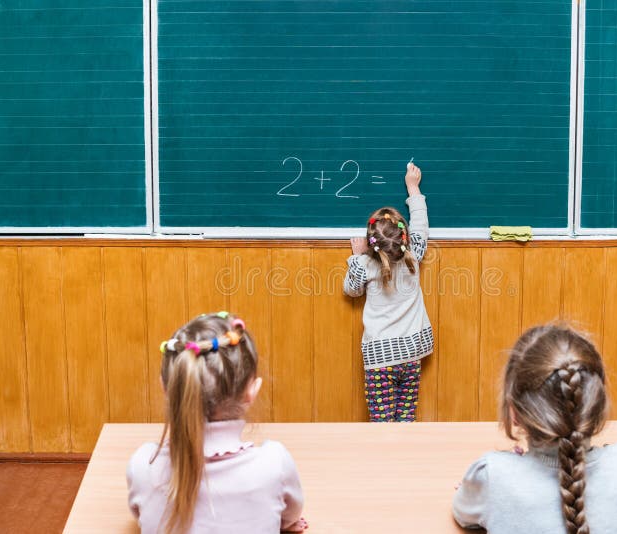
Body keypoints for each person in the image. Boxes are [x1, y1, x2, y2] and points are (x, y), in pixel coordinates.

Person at [127, 312, 306, 533]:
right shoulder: (275, 464)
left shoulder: (144, 465)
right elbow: (290, 516)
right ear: (252, 392)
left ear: (167, 389)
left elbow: (141, 514)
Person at [453, 325, 617, 533]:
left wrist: (476, 489)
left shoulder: (492, 476)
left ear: (514, 412)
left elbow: (463, 515)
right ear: (596, 408)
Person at [344, 162, 433, 422]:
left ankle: (383, 461)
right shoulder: (413, 256)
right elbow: (421, 227)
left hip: (380, 358)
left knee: (382, 422)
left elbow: (351, 290)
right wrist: (413, 188)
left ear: (371, 244)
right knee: (406, 419)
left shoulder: (364, 264)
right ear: (404, 238)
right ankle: (404, 460)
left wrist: (355, 258)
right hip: (411, 352)